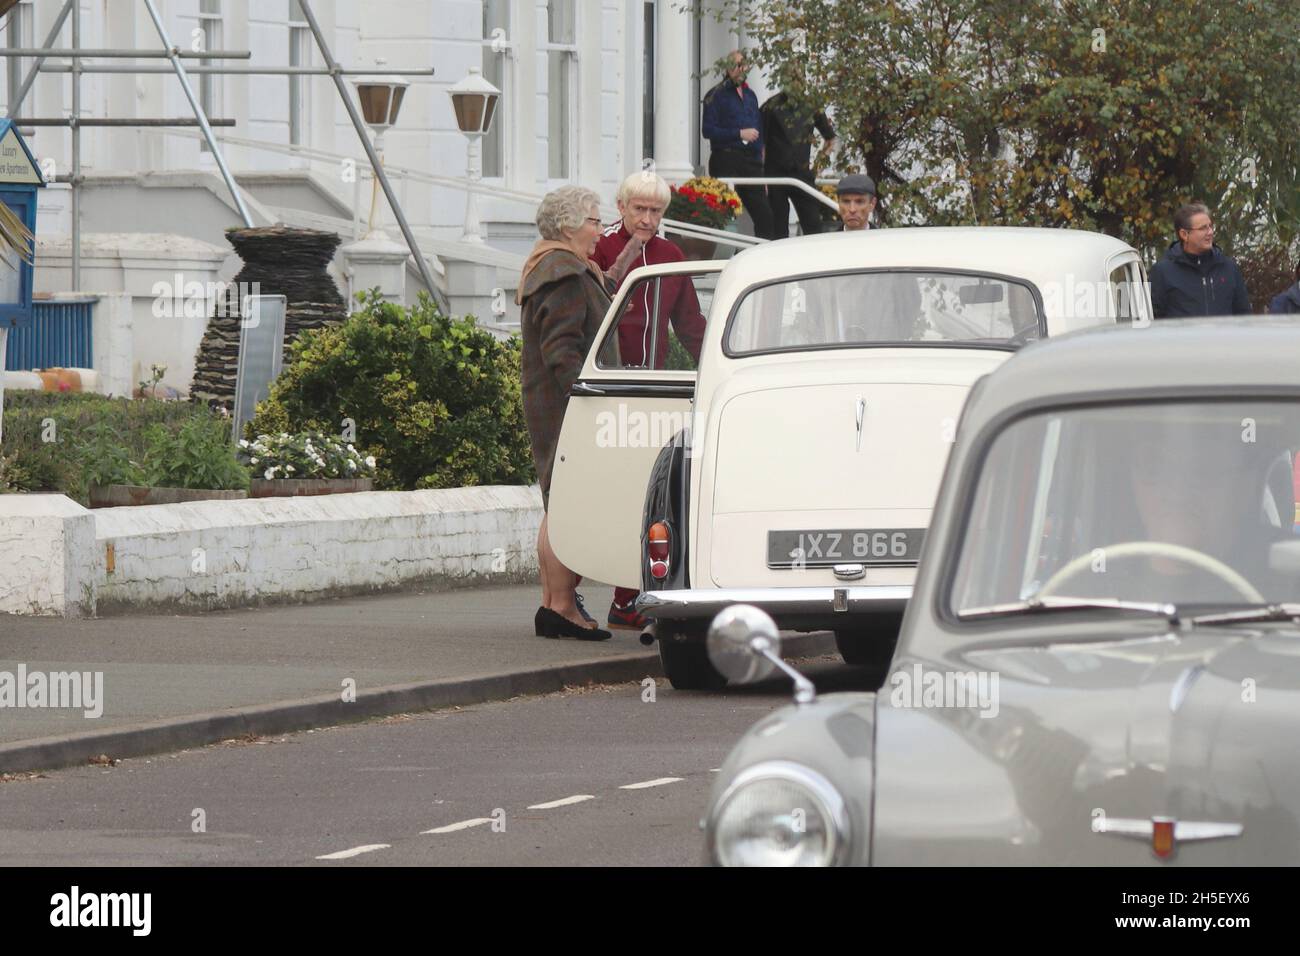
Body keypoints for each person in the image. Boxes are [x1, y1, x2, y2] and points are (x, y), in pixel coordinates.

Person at [517, 186, 641, 642]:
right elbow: (562, 351)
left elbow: (604, 287)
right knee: (565, 506)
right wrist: (589, 403)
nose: (598, 229)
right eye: (593, 220)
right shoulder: (563, 274)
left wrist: (634, 247)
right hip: (569, 410)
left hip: (560, 407)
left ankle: (554, 606)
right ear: (569, 226)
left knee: (558, 505)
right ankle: (562, 606)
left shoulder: (561, 267)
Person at [591, 170, 708, 630]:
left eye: (655, 210)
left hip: (654, 387)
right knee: (614, 490)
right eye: (638, 209)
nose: (646, 218)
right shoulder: (600, 247)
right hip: (609, 386)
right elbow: (596, 297)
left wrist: (714, 367)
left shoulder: (671, 255)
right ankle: (607, 598)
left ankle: (631, 598)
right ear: (620, 207)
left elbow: (691, 324)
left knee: (650, 491)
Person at [702, 50, 774, 240]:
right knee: (725, 214)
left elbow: (759, 134)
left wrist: (762, 169)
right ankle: (726, 256)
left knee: (764, 215)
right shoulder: (715, 95)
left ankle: (764, 258)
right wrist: (738, 133)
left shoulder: (751, 96)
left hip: (751, 162)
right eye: (735, 65)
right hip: (726, 159)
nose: (739, 69)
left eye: (743, 65)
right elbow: (707, 130)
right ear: (727, 68)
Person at [1150, 202, 1251, 318]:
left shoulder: (1229, 268)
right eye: (1203, 228)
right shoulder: (1162, 272)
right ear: (1184, 234)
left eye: (1210, 226)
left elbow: (1244, 315)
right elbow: (1154, 318)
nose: (1210, 232)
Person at [761, 89, 835, 239]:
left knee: (813, 227)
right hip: (775, 176)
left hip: (802, 174)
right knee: (778, 232)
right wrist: (763, 178)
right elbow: (760, 145)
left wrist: (817, 167)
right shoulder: (770, 106)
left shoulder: (812, 105)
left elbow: (830, 139)